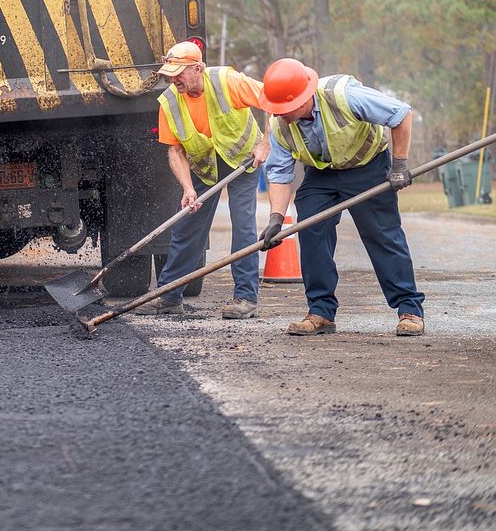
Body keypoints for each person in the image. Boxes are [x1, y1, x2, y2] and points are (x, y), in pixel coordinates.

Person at [257, 57, 424, 337]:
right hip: (321, 174)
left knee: (382, 234)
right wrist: (276, 218)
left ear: (304, 97)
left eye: (285, 108)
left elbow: (400, 114)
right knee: (310, 229)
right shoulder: (280, 126)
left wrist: (398, 165)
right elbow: (280, 174)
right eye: (277, 109)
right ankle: (321, 312)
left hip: (367, 166)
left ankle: (410, 309)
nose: (280, 115)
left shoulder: (345, 95)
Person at [136, 41, 270, 319]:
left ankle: (246, 297)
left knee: (243, 223)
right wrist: (187, 188)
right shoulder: (169, 102)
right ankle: (170, 296)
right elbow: (175, 150)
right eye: (170, 73)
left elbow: (273, 99)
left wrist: (266, 143)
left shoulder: (227, 81)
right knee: (187, 225)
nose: (174, 79)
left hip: (243, 160)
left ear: (198, 69)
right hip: (204, 167)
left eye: (180, 72)